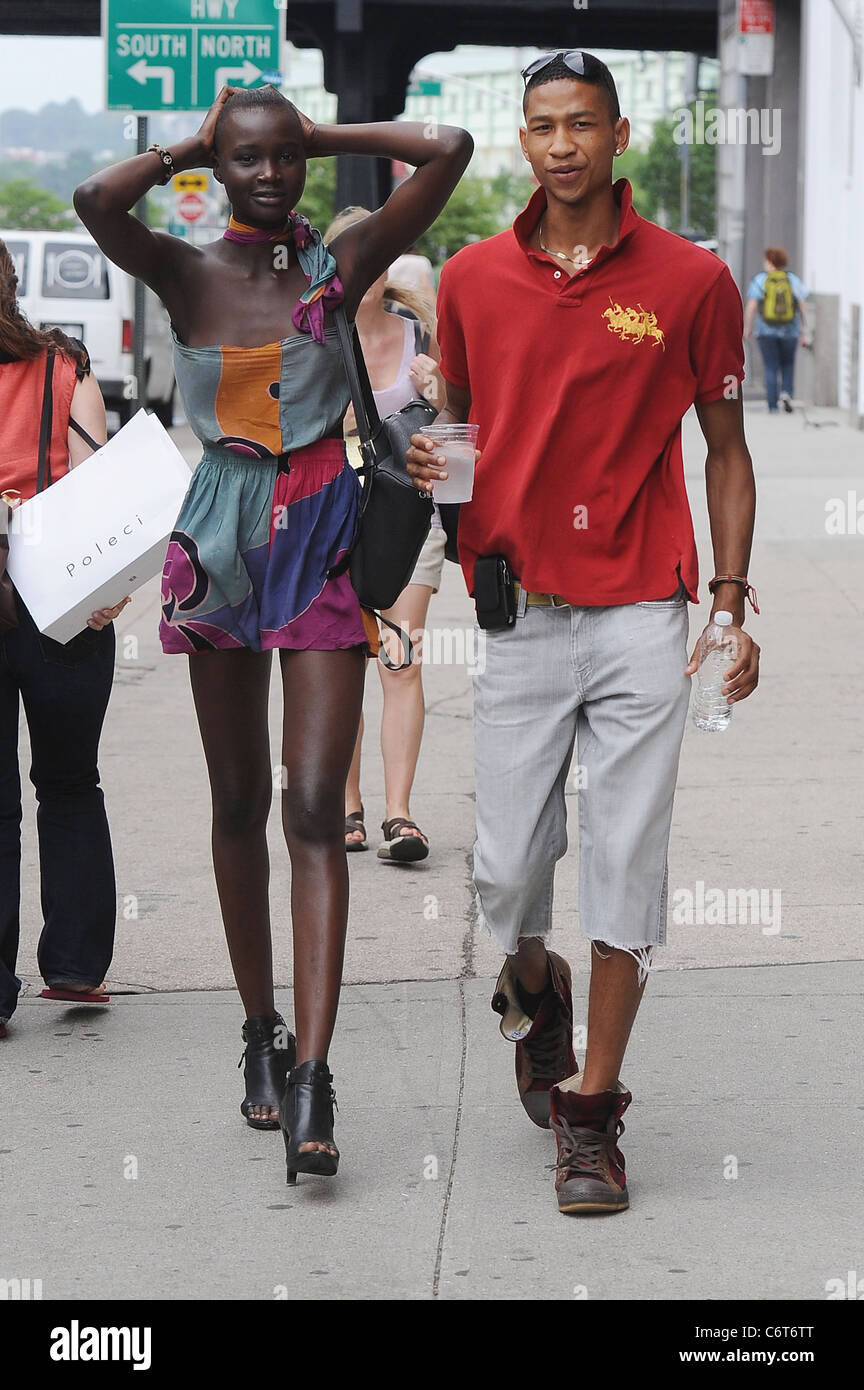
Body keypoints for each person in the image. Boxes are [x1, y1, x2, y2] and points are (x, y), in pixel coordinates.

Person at [74, 85, 471, 1182]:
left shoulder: (334, 266)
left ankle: (315, 1074)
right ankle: (260, 1032)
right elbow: (94, 198)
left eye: (283, 158)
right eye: (246, 158)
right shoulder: (186, 269)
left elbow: (449, 147)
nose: (268, 174)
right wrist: (188, 146)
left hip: (325, 537)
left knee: (309, 803)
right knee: (240, 803)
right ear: (217, 161)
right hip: (216, 546)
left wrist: (323, 130)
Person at [407, 51, 761, 1215]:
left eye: (582, 125)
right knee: (507, 873)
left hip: (643, 615)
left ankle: (592, 1116)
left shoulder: (691, 278)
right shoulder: (468, 282)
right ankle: (534, 987)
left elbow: (724, 450)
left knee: (626, 861)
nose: (561, 145)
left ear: (618, 138)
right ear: (525, 141)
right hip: (522, 613)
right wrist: (432, 470)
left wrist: (730, 599)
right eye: (541, 126)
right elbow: (458, 432)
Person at [0, 237, 129, 1041]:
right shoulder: (63, 370)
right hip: (63, 602)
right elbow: (104, 493)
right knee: (70, 781)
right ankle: (76, 963)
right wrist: (108, 589)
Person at [323, 207, 445, 862]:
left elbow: (453, 426)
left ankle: (400, 814)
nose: (365, 267)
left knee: (400, 657)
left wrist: (443, 391)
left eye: (376, 253)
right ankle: (348, 805)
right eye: (351, 254)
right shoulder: (313, 339)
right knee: (343, 662)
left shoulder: (418, 333)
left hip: (406, 518)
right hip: (330, 519)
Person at [744, 247, 809, 413]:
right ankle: (786, 393)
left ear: (770, 262)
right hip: (790, 331)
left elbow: (752, 306)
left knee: (770, 366)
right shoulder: (792, 280)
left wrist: (748, 327)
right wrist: (804, 329)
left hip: (766, 331)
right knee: (788, 364)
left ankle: (772, 405)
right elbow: (802, 305)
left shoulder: (761, 280)